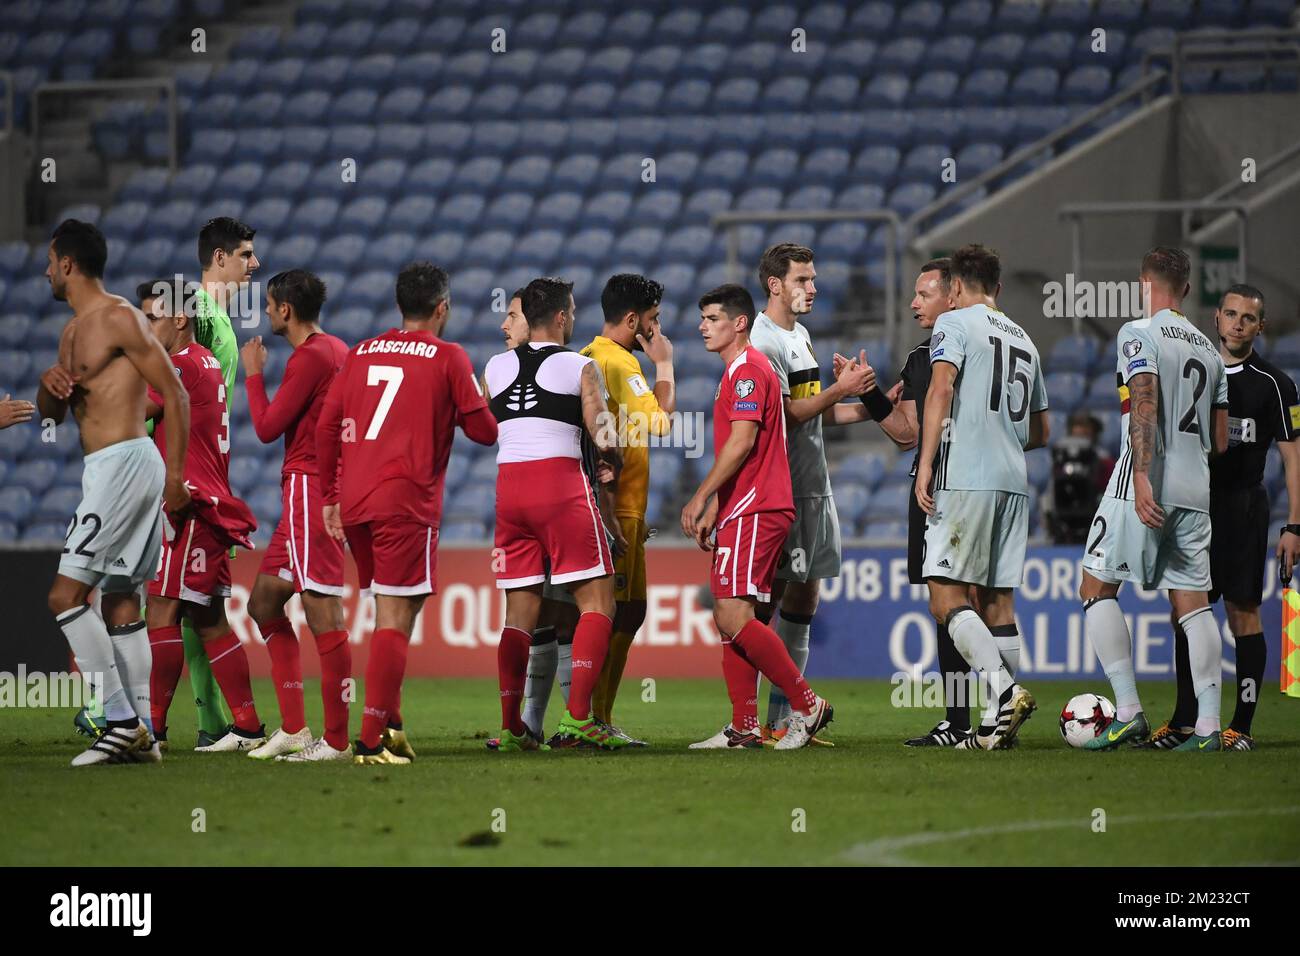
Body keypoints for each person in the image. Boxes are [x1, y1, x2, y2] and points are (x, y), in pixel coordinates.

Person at [317, 262, 497, 764]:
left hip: (356, 504)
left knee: (391, 610)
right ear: (442, 308)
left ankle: (391, 725)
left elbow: (327, 427)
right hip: (405, 503)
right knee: (397, 615)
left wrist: (331, 496)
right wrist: (478, 395)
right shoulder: (448, 356)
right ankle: (370, 741)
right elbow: (484, 432)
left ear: (400, 305)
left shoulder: (360, 352)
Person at [37, 220, 189, 766]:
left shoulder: (120, 317)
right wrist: (47, 386)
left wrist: (174, 476)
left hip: (124, 464)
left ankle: (120, 720)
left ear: (69, 264)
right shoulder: (73, 333)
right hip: (106, 466)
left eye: (52, 261)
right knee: (124, 599)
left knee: (64, 596)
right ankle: (143, 731)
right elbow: (54, 413)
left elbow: (175, 392)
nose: (47, 270)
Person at [1077, 247, 1229, 752]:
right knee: (1193, 604)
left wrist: (1142, 475)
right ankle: (1208, 728)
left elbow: (1144, 397)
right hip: (1197, 487)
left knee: (1095, 586)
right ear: (1186, 288)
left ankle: (1128, 712)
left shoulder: (1137, 333)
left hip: (1143, 482)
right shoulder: (1211, 352)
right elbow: (1221, 439)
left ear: (1143, 284)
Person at [1145, 283, 1299, 751]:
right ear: (1215, 318)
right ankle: (1184, 721)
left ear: (1260, 326)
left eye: (1247, 317)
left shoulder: (1275, 384)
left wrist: (1294, 526)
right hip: (1194, 502)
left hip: (1243, 508)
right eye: (1230, 314)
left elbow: (1294, 459)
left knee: (1243, 612)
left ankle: (1241, 727)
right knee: (1185, 612)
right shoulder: (1196, 371)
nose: (1237, 323)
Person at [684, 283, 833, 750]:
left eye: (712, 318)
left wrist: (703, 496)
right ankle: (744, 727)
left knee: (732, 613)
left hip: (756, 505)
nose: (702, 327)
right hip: (746, 506)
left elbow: (743, 441)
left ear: (739, 323)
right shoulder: (738, 371)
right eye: (703, 319)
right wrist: (718, 506)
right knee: (732, 617)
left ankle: (807, 704)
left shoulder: (748, 371)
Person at [914, 243, 1050, 751]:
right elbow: (1042, 430)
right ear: (998, 286)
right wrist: (999, 431)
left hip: (966, 474)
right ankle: (998, 727)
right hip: (1014, 478)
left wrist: (926, 463)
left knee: (944, 595)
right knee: (997, 598)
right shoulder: (1026, 339)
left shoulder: (954, 324)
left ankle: (1006, 690)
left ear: (955, 287)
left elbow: (940, 389)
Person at [485, 276, 630, 750]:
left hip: (509, 491)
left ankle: (511, 728)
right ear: (564, 316)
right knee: (598, 602)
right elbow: (600, 430)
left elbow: (487, 427)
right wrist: (614, 452)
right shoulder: (580, 365)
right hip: (559, 485)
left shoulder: (495, 366)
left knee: (518, 615)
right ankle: (579, 719)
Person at [841, 258, 979, 747]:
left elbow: (917, 436)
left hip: (943, 487)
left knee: (951, 604)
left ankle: (969, 720)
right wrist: (872, 393)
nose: (914, 303)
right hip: (981, 486)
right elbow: (904, 432)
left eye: (924, 294)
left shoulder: (939, 353)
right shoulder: (925, 356)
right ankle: (975, 721)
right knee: (974, 604)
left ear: (953, 294)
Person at [744, 243, 873, 746]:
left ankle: (785, 721)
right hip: (782, 488)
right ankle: (748, 722)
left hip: (813, 486)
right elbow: (785, 414)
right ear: (775, 285)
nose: (812, 288)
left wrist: (868, 401)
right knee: (764, 607)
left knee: (804, 601)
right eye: (802, 280)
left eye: (813, 279)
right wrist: (841, 389)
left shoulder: (800, 336)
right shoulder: (761, 340)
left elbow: (817, 410)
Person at [140, 280, 266, 753]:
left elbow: (133, 414)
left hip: (186, 504)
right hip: (208, 502)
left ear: (178, 319)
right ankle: (248, 726)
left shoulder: (178, 367)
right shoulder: (207, 362)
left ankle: (151, 727)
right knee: (208, 617)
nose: (144, 328)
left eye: (150, 318)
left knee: (162, 609)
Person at [240, 269, 354, 761]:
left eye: (269, 304)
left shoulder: (309, 358)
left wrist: (251, 374)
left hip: (311, 488)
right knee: (263, 605)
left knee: (322, 610)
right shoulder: (340, 350)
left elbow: (266, 428)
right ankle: (293, 728)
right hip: (303, 494)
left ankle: (336, 740)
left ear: (286, 308)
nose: (266, 312)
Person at [579, 273, 676, 740]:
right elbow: (659, 424)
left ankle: (596, 717)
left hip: (609, 504)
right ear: (634, 320)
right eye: (654, 321)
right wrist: (665, 365)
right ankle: (591, 720)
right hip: (621, 511)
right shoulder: (620, 363)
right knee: (615, 612)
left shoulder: (584, 357)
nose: (657, 331)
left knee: (631, 611)